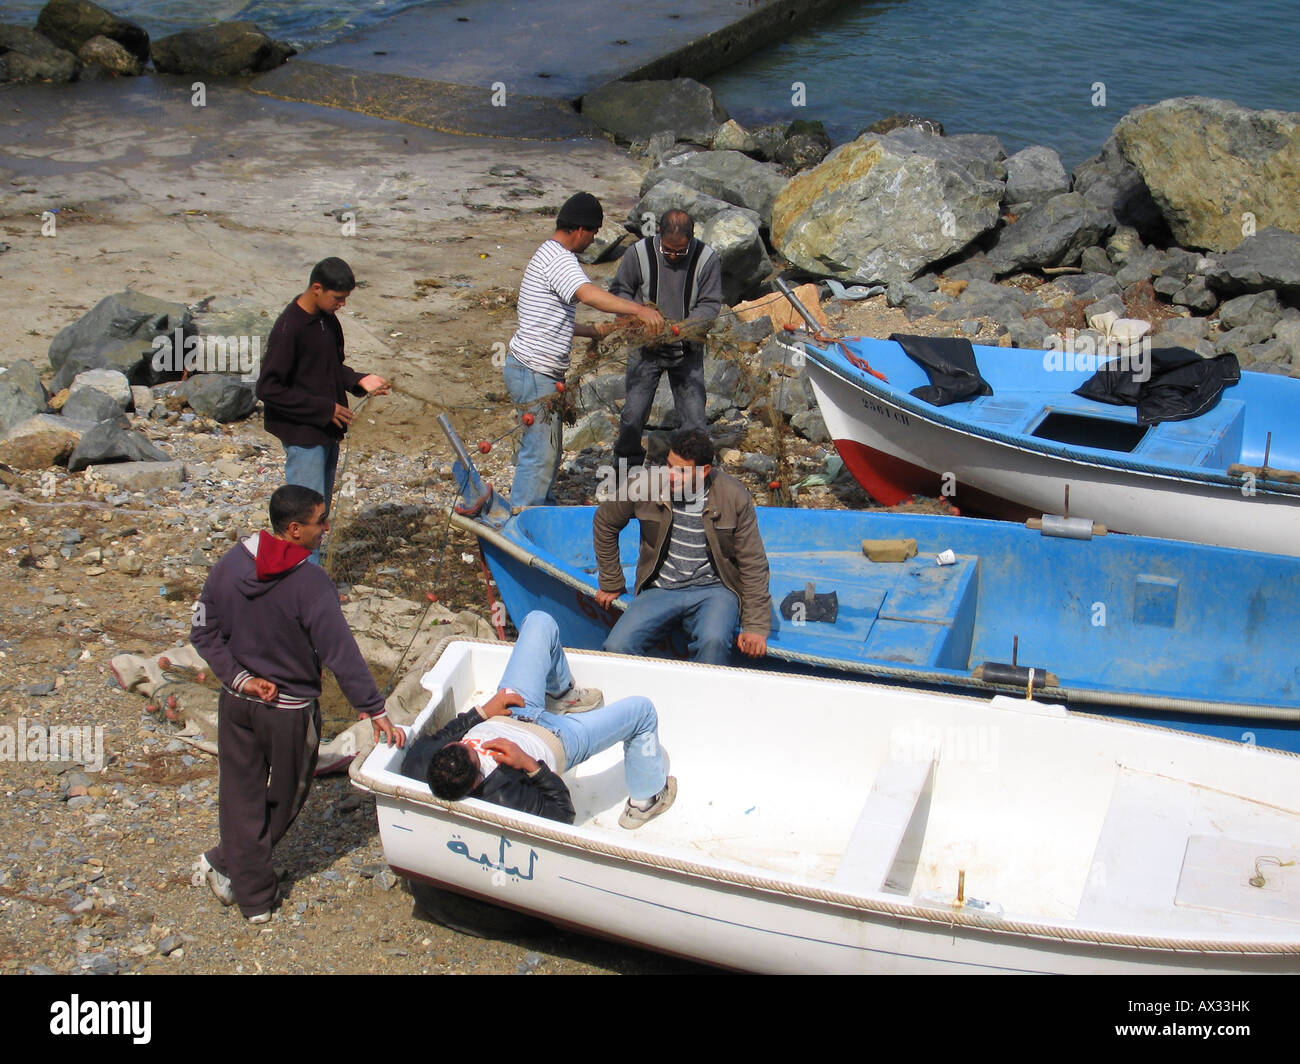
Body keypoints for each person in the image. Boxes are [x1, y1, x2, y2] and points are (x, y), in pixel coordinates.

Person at [190, 484, 406, 922]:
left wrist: (240, 678)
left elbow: (203, 631)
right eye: (319, 521)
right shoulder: (310, 582)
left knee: (239, 793)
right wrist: (373, 707)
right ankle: (252, 893)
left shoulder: (230, 565)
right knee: (287, 793)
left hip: (236, 701)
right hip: (288, 711)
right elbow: (339, 651)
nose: (326, 528)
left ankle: (235, 865)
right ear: (293, 529)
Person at [400, 611, 675, 829]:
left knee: (540, 621)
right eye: (475, 756)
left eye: (465, 744)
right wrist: (530, 765)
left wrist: (482, 712)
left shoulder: (423, 763)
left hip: (512, 710)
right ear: (475, 783)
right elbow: (563, 814)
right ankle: (646, 800)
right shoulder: (503, 796)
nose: (473, 747)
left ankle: (561, 695)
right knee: (643, 710)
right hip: (560, 737)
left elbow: (440, 736)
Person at [506, 192, 664, 509]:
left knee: (546, 448)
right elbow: (589, 294)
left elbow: (542, 316)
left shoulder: (546, 253)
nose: (592, 241)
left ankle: (541, 509)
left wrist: (592, 331)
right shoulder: (560, 259)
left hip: (529, 368)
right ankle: (521, 521)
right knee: (540, 453)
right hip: (534, 372)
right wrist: (640, 311)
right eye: (592, 234)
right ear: (580, 229)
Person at [594, 429, 771, 665]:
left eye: (682, 471)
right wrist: (611, 581)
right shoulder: (644, 484)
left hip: (714, 590)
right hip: (660, 588)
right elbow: (605, 522)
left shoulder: (733, 495)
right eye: (669, 466)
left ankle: (705, 700)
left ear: (704, 471)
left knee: (714, 642)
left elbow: (753, 561)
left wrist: (755, 625)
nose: (671, 476)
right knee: (617, 646)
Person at [256, 256, 391, 564]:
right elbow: (268, 388)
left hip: (326, 431)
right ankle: (300, 584)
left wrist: (360, 381)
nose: (342, 304)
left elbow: (330, 369)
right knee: (304, 519)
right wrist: (323, 408)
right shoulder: (289, 328)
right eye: (338, 298)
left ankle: (309, 580)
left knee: (319, 514)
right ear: (317, 288)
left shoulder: (327, 321)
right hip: (303, 436)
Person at [609, 209, 723, 474]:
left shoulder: (707, 260)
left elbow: (709, 304)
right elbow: (620, 292)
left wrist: (684, 328)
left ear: (691, 239)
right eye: (668, 250)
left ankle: (697, 470)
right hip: (645, 347)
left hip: (687, 347)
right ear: (658, 234)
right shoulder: (638, 254)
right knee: (633, 413)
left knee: (694, 416)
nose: (672, 256)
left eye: (680, 252)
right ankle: (625, 468)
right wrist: (638, 321)